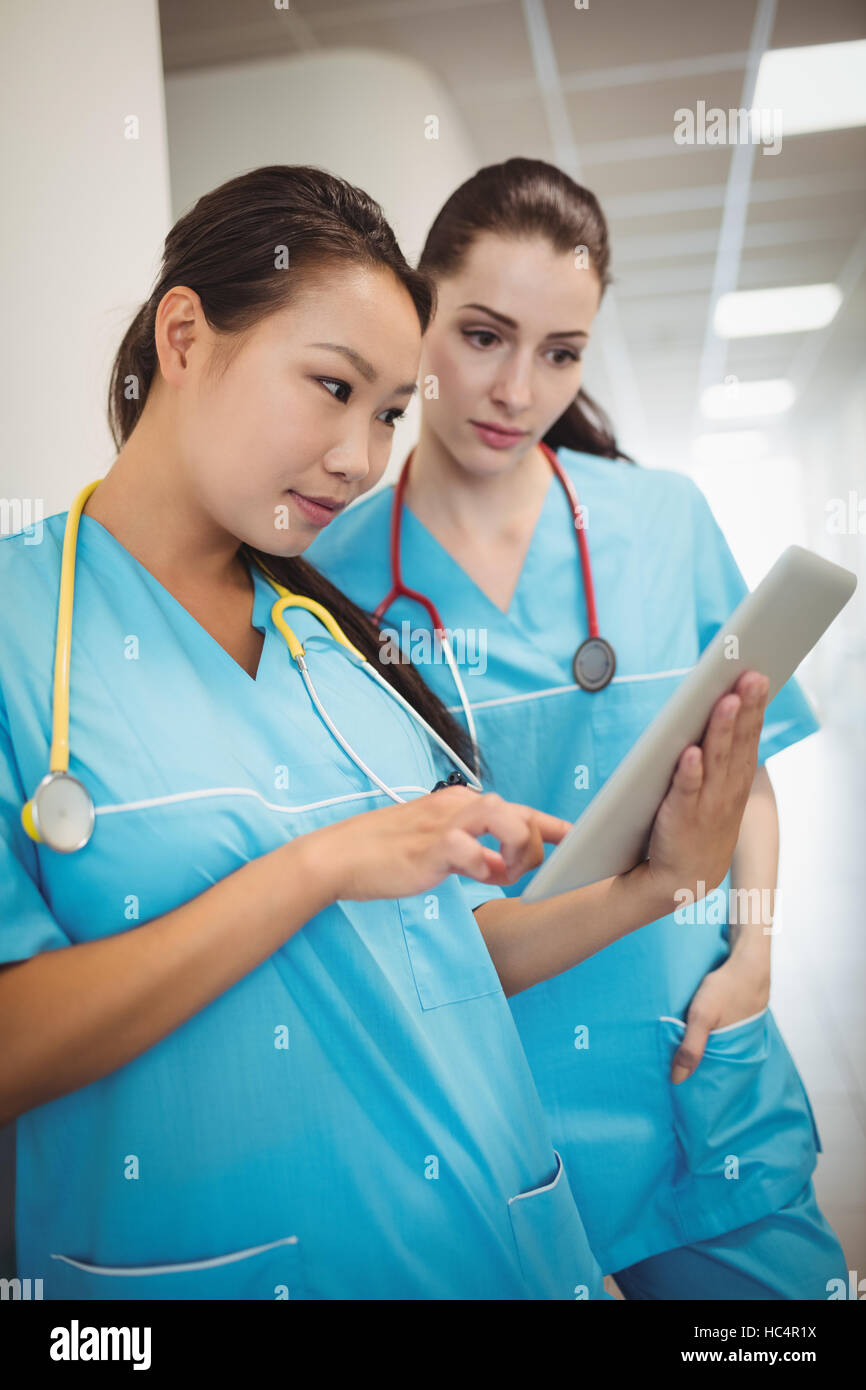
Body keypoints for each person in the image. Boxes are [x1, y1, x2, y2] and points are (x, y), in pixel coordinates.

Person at [0, 164, 766, 1301]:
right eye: (330, 386)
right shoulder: (28, 637)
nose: (361, 459)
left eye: (390, 413)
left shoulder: (339, 643)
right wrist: (318, 868)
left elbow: (454, 951)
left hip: (508, 1250)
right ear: (183, 334)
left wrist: (662, 885)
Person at [307, 158, 847, 1300]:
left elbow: (739, 774)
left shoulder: (662, 520)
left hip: (690, 1060)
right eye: (482, 336)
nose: (515, 389)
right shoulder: (325, 580)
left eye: (559, 353)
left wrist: (750, 955)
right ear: (418, 321)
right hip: (483, 1089)